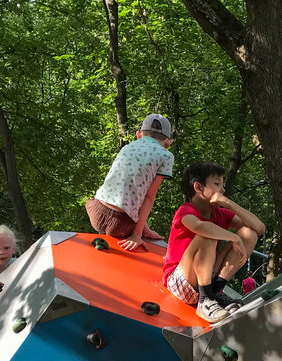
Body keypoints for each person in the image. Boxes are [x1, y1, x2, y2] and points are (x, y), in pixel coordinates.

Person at [162, 161, 265, 323]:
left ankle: (214, 292)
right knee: (206, 233)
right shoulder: (186, 210)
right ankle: (205, 301)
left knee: (249, 233)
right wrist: (233, 237)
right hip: (180, 281)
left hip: (206, 278)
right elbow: (199, 226)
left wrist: (229, 203)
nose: (222, 190)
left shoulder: (220, 213)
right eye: (217, 184)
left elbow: (259, 228)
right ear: (198, 187)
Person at [85, 113, 174, 252]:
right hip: (120, 225)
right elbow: (149, 197)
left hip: (96, 211)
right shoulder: (166, 155)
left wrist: (145, 228)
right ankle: (139, 231)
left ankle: (144, 229)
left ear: (139, 135)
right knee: (138, 203)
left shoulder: (128, 147)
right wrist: (136, 235)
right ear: (168, 143)